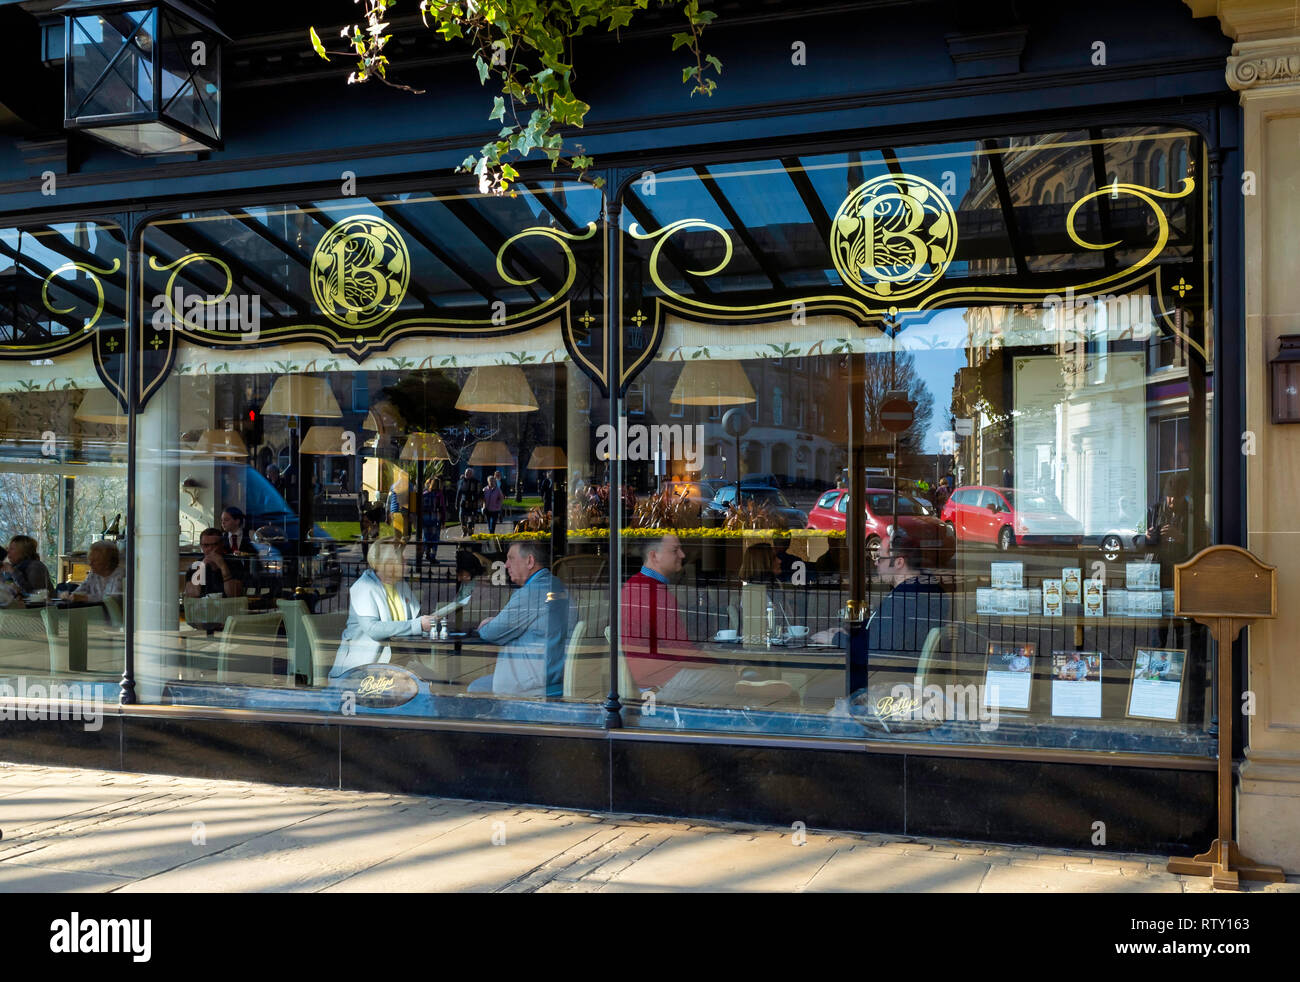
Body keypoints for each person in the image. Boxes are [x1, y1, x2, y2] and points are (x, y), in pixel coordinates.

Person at [622, 533, 791, 702]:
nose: (682, 554)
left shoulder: (636, 584)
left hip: (653, 678)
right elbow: (682, 653)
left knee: (743, 681)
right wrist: (723, 663)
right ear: (654, 556)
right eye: (675, 550)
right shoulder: (654, 593)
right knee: (742, 688)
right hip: (663, 682)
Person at [468, 540, 570, 698]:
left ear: (529, 561)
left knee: (475, 689)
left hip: (530, 682)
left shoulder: (531, 593)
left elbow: (491, 633)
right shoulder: (557, 585)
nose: (506, 564)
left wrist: (487, 624)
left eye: (511, 558)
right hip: (554, 676)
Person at [331, 537, 435, 678]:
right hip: (365, 668)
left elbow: (415, 619)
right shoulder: (364, 587)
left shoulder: (400, 585)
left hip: (399, 662)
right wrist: (417, 625)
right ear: (389, 563)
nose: (407, 565)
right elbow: (373, 629)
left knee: (436, 680)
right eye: (403, 561)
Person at [1145, 475, 1190, 584]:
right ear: (1165, 495)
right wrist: (1147, 537)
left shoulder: (1192, 513)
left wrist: (1180, 537)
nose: (1172, 500)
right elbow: (1136, 539)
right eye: (1170, 496)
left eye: (1177, 496)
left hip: (1183, 567)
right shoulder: (1154, 511)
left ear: (1184, 495)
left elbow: (1202, 543)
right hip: (1158, 566)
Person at [183, 527, 245, 598]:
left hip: (227, 606)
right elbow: (192, 594)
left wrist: (222, 566)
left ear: (222, 544)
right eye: (206, 545)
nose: (210, 549)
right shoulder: (196, 565)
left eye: (215, 545)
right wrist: (201, 568)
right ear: (201, 546)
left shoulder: (234, 563)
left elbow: (234, 594)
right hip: (203, 607)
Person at [420, 476, 447, 563]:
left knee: (426, 537)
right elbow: (442, 508)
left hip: (425, 518)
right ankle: (432, 556)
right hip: (435, 518)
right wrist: (443, 521)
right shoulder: (439, 495)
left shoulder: (424, 494)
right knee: (435, 538)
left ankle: (424, 553)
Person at [456, 469, 481, 536]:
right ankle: (464, 531)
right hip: (463, 502)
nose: (468, 474)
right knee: (462, 517)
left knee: (472, 519)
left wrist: (478, 501)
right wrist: (456, 503)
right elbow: (458, 493)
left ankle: (470, 531)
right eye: (466, 473)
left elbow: (479, 493)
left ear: (472, 474)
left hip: (473, 503)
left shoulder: (476, 482)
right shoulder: (461, 481)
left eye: (469, 473)